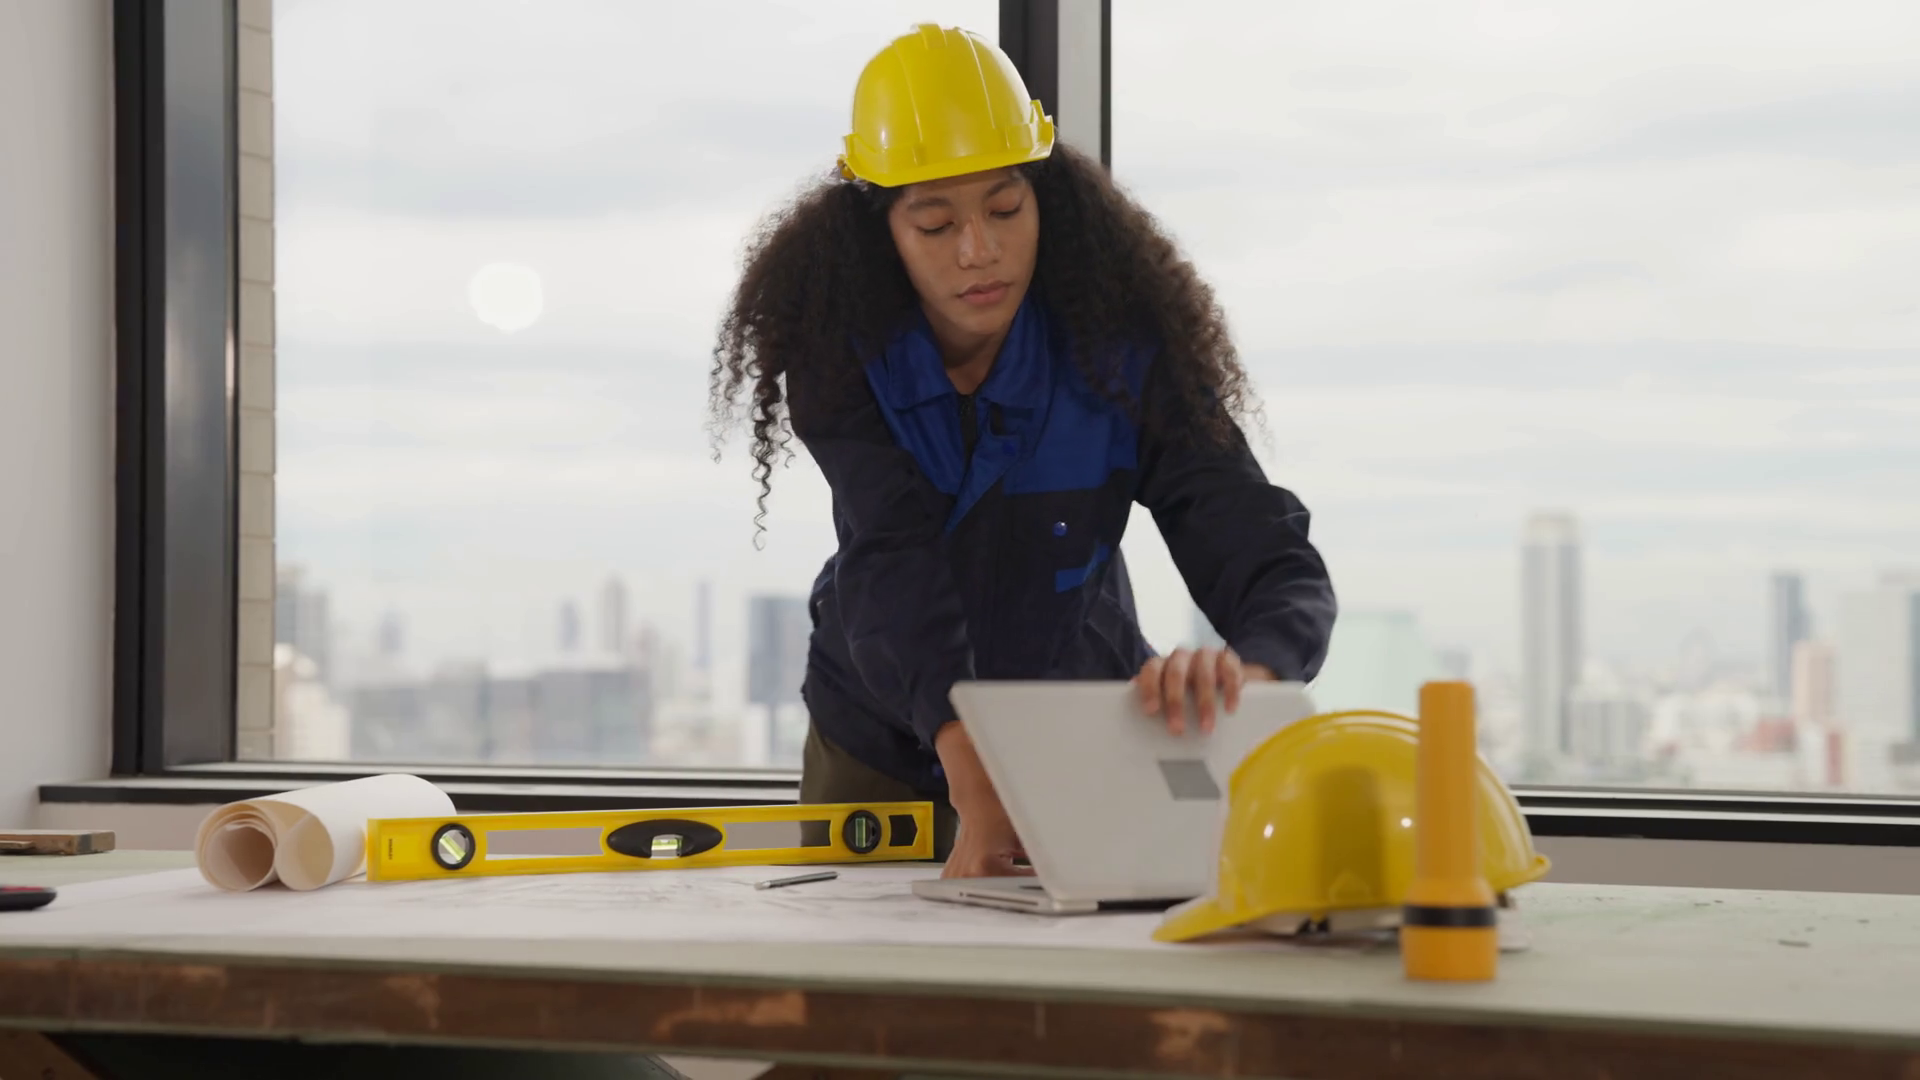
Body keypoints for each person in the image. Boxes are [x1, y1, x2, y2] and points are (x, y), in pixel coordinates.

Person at [707, 24, 1336, 878]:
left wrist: (1251, 677)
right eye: (934, 223)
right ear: (881, 234)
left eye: (1005, 208)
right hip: (883, 734)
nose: (979, 251)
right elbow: (892, 559)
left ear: (1047, 199)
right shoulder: (839, 357)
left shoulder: (1123, 352)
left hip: (1080, 728)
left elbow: (1250, 532)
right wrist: (977, 781)